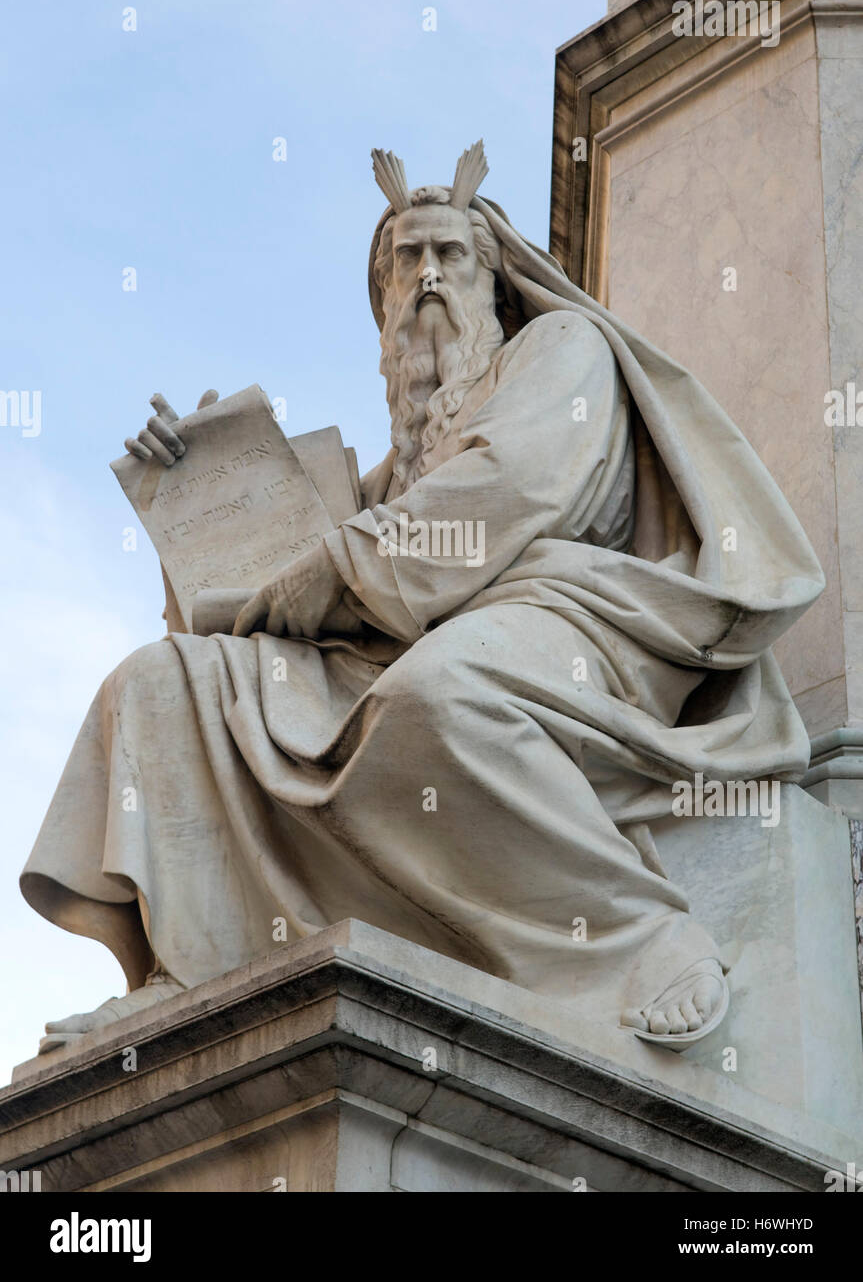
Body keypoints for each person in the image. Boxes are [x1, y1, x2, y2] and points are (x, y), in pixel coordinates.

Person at [22, 144, 823, 1054]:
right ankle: (187, 966)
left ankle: (637, 939)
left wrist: (327, 572)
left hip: (570, 619)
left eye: (449, 254)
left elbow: (509, 488)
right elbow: (263, 593)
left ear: (495, 280)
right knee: (163, 680)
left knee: (432, 697)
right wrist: (194, 492)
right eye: (407, 262)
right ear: (386, 307)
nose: (428, 274)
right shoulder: (389, 470)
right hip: (397, 643)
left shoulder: (561, 350)